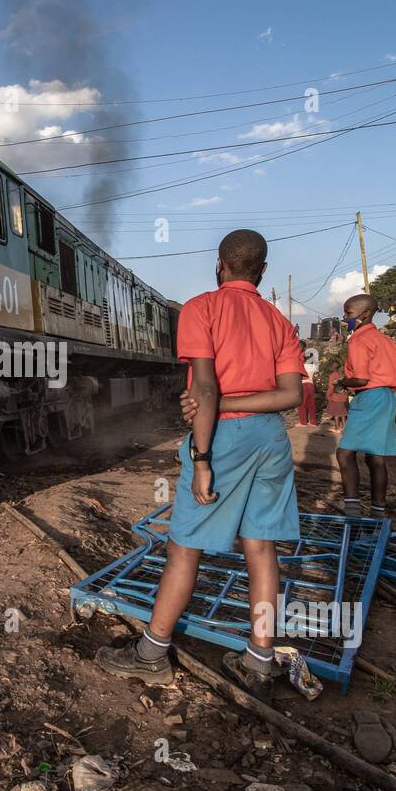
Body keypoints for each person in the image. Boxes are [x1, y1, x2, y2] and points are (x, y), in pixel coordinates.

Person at [96, 229, 303, 703]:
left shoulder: (201, 308)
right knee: (262, 549)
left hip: (221, 436)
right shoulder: (278, 319)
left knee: (184, 548)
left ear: (220, 265)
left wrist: (203, 457)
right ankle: (259, 660)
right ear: (263, 271)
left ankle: (150, 656)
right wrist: (234, 401)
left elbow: (205, 390)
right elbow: (291, 395)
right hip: (271, 438)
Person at [333, 294, 396, 517]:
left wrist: (342, 382)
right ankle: (378, 509)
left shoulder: (359, 340)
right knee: (376, 457)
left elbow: (361, 379)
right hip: (386, 397)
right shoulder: (386, 341)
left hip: (370, 396)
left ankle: (352, 506)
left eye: (349, 313)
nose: (345, 317)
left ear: (365, 314)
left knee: (344, 453)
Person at [299, 338, 319, 426]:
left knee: (302, 404)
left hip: (304, 384)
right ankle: (313, 422)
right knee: (311, 404)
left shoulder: (302, 364)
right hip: (311, 384)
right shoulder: (313, 365)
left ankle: (303, 422)